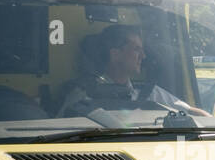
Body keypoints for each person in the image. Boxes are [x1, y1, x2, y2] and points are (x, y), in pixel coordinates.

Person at [60, 24, 207, 116]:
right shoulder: (82, 94)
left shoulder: (149, 92)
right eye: (137, 49)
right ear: (115, 54)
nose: (143, 56)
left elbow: (190, 112)